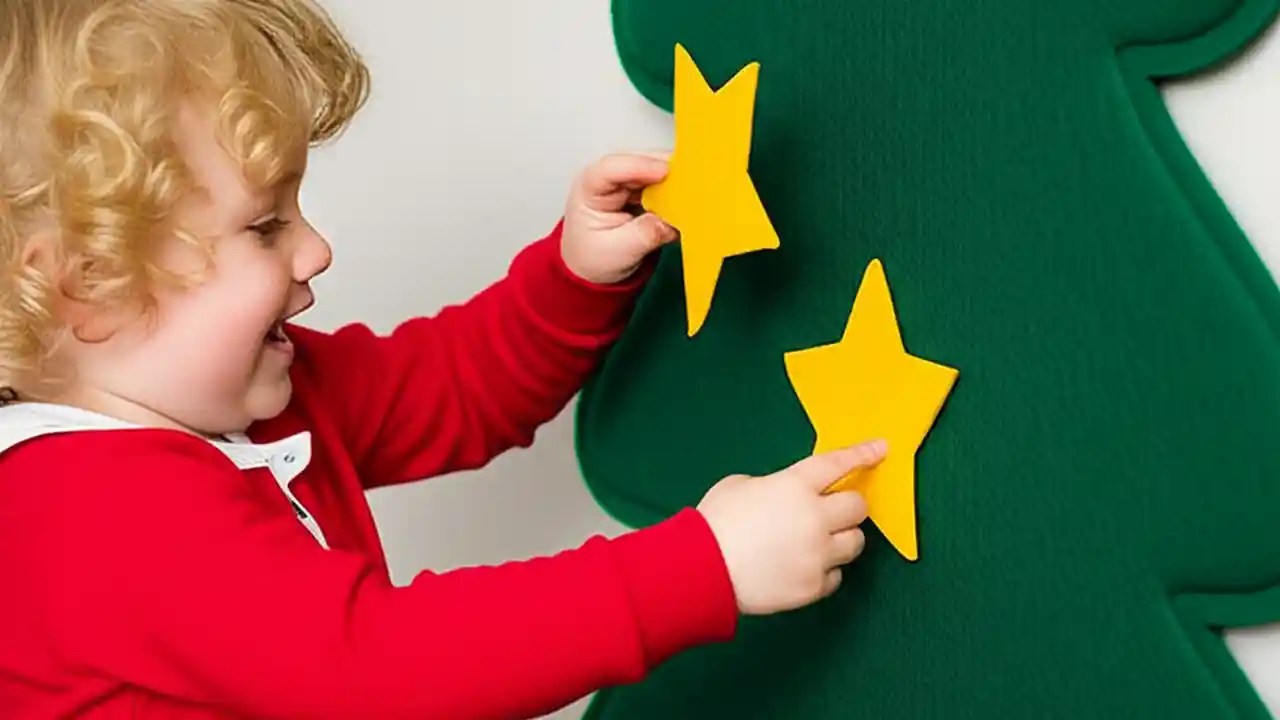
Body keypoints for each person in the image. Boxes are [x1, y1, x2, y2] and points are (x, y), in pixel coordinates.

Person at [0, 1, 885, 717]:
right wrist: (702, 569)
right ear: (89, 286)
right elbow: (384, 667)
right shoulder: (74, 514)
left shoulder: (251, 392)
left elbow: (453, 390)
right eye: (266, 226)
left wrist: (573, 275)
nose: (314, 251)